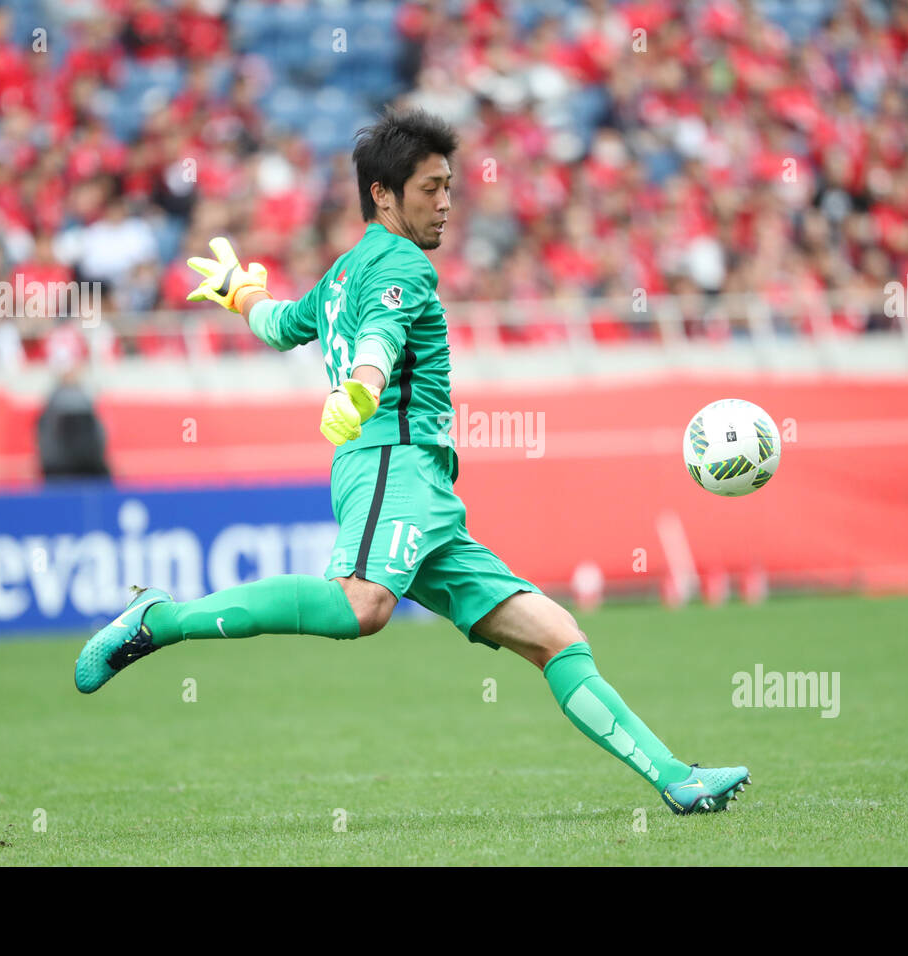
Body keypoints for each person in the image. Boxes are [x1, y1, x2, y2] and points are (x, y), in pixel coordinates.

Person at [74, 108, 749, 815]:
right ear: (383, 197)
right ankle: (161, 618)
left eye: (450, 186)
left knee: (554, 636)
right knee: (361, 606)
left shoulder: (343, 272)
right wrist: (362, 392)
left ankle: (676, 777)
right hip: (389, 464)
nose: (447, 202)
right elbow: (380, 338)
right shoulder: (400, 264)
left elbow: (282, 326)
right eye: (430, 188)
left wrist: (241, 291)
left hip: (424, 492)